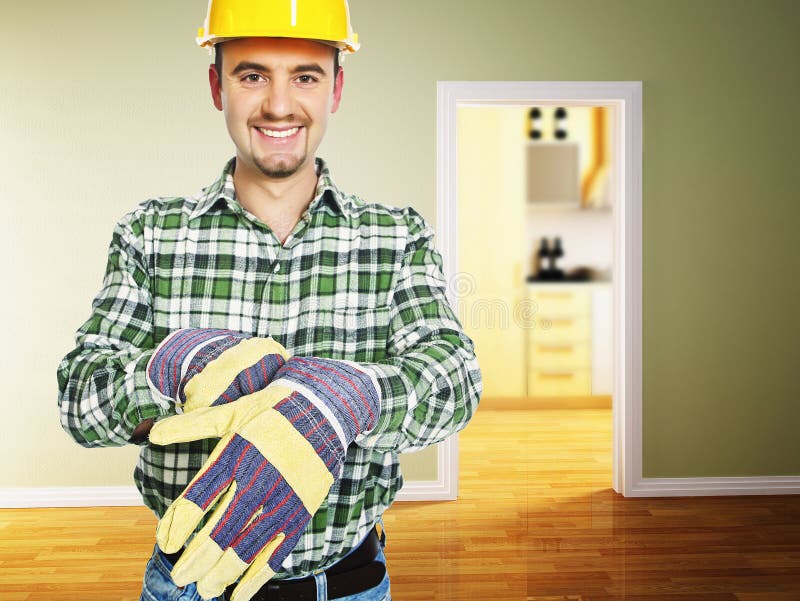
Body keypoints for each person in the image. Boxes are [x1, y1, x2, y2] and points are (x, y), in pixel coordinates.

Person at [57, 1, 482, 600]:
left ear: (336, 88)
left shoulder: (396, 236)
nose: (279, 105)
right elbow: (80, 397)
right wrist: (170, 368)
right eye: (252, 75)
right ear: (217, 86)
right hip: (188, 587)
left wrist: (350, 398)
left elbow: (455, 381)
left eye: (305, 76)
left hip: (348, 585)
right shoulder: (150, 233)